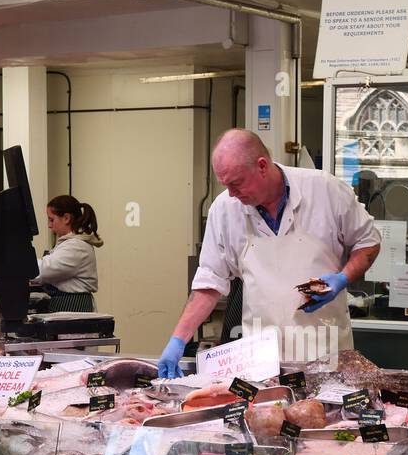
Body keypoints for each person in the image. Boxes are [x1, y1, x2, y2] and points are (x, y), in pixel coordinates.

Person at [157, 129, 381, 376]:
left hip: (327, 355)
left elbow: (368, 242)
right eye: (225, 185)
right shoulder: (224, 210)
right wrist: (178, 339)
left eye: (236, 183)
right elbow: (210, 281)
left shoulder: (325, 190)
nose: (231, 193)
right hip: (261, 363)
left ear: (262, 166)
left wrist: (343, 278)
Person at [36, 194, 101, 311]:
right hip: (65, 307)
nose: (49, 225)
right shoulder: (68, 243)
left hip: (74, 308)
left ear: (66, 218)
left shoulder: (76, 247)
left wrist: (16, 263)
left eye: (52, 219)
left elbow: (44, 269)